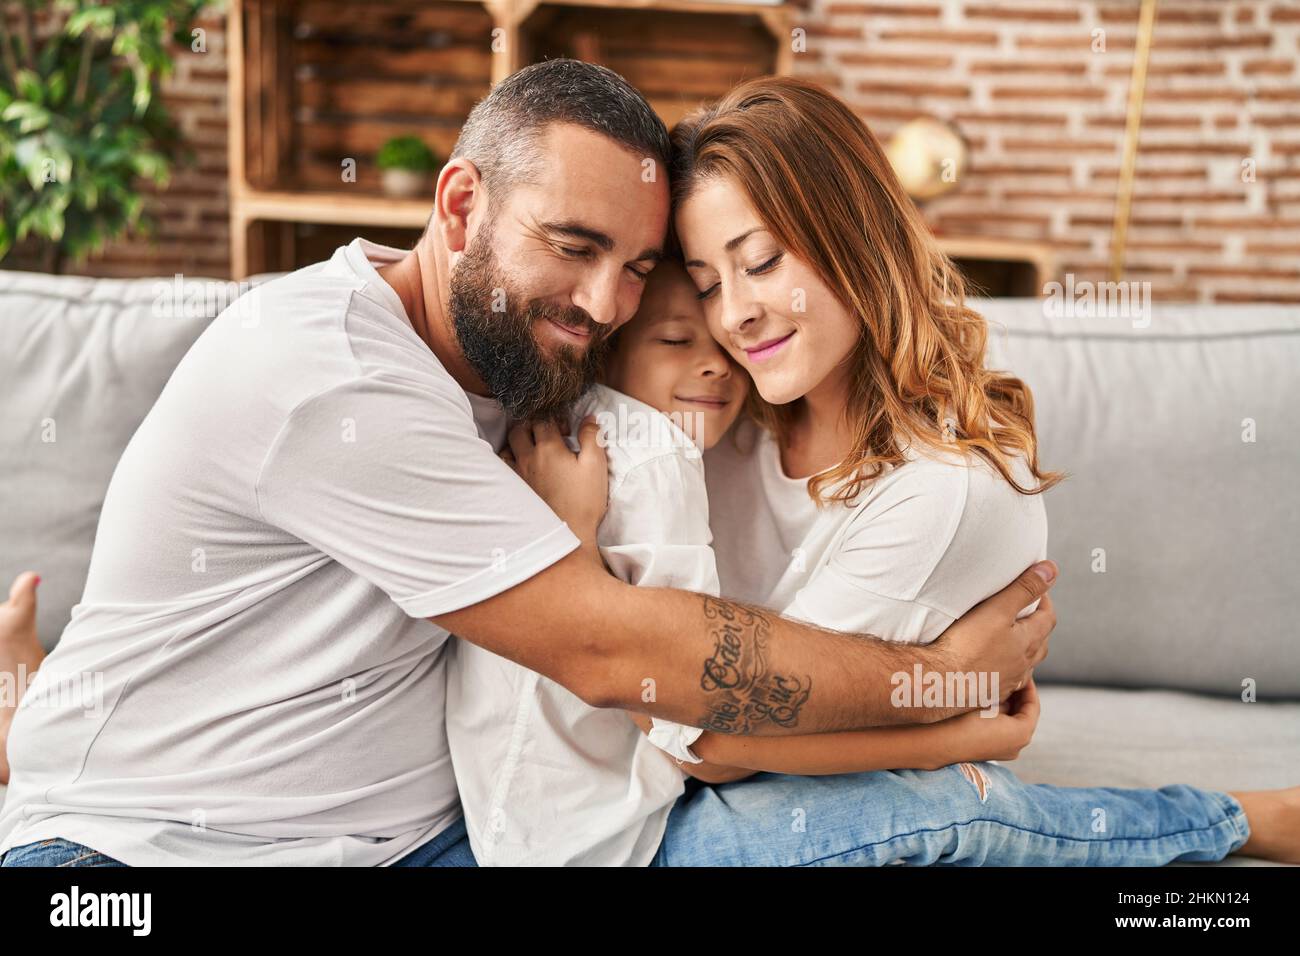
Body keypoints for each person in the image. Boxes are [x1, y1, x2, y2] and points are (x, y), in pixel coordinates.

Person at [0, 59, 1055, 868]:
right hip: (143, 855)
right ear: (459, 206)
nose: (604, 304)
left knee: (921, 821)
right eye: (571, 243)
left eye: (638, 268)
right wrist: (942, 684)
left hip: (421, 842)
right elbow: (617, 653)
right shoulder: (327, 373)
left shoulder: (540, 360)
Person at [493, 76, 1300, 866]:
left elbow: (714, 746)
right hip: (647, 786)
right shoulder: (720, 415)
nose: (732, 315)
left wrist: (958, 727)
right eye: (706, 284)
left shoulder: (949, 493)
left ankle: (1214, 820)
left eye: (763, 261)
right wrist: (960, 710)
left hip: (728, 787)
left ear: (855, 242)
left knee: (936, 813)